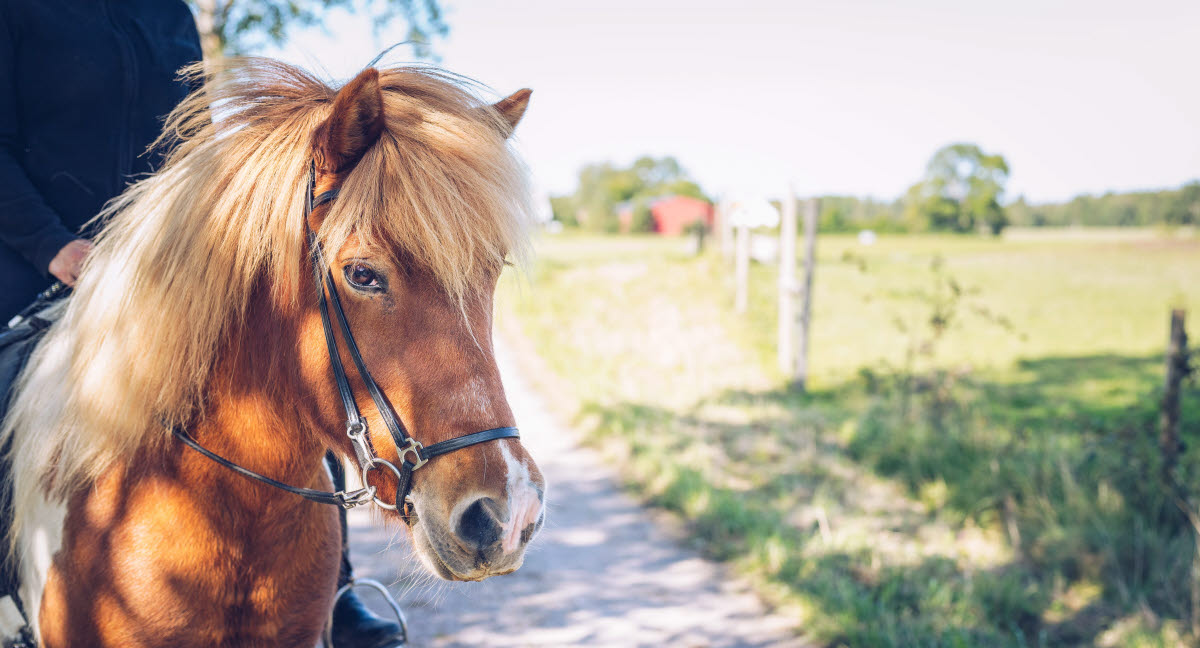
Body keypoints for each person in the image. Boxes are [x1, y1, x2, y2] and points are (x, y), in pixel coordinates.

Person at [0, 3, 405, 646]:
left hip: (158, 273)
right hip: (37, 269)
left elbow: (194, 148)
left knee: (288, 382)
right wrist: (54, 246)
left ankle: (338, 590)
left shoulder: (169, 14)